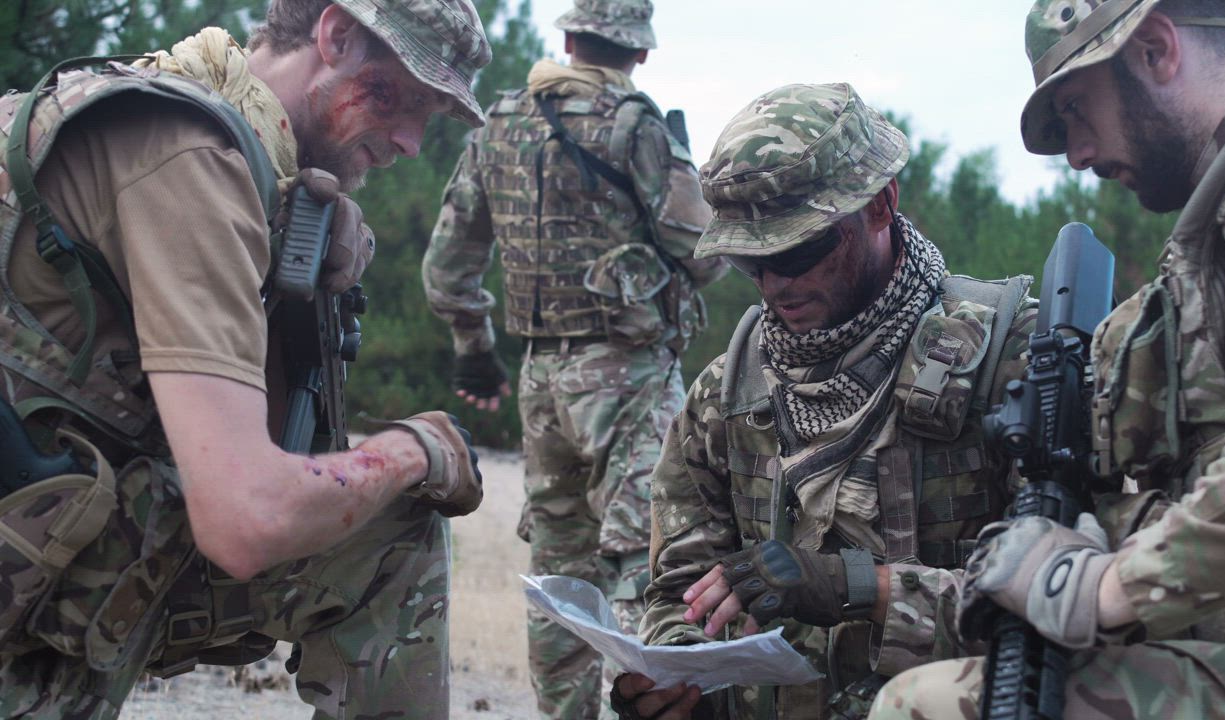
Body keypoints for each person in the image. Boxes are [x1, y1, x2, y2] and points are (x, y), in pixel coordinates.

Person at [0, 1, 491, 717]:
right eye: (401, 96)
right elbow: (246, 519)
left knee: (377, 532)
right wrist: (414, 453)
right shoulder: (189, 156)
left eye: (432, 116)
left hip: (40, 540)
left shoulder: (183, 123)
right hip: (27, 588)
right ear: (336, 35)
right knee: (398, 517)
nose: (415, 141)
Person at [868, 1, 1225, 718]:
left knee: (922, 707)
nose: (1077, 156)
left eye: (1077, 111)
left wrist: (1110, 586)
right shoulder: (1223, 225)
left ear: (1155, 49)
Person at [610, 81, 1040, 720]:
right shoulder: (726, 399)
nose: (776, 283)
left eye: (800, 248)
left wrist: (861, 589)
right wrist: (681, 679)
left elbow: (1062, 600)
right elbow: (680, 589)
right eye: (750, 261)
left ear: (880, 205)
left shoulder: (1009, 362)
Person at [422, 1, 722, 717]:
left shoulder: (498, 123)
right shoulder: (636, 124)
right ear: (639, 52)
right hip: (629, 377)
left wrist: (475, 353)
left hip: (541, 381)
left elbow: (445, 268)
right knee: (643, 557)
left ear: (568, 35)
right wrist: (688, 176)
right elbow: (704, 256)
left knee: (556, 570)